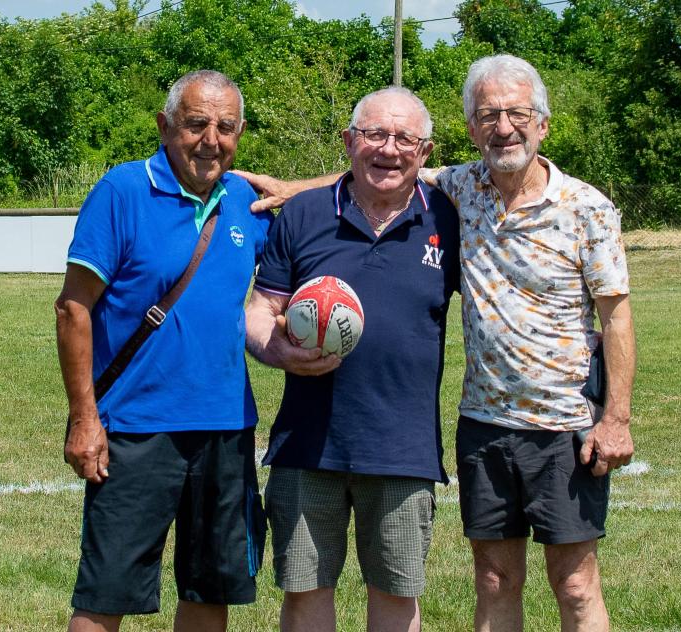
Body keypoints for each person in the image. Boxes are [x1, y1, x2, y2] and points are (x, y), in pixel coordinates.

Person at [237, 55, 636, 632]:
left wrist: (616, 416)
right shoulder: (458, 192)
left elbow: (617, 318)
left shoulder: (569, 209)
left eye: (517, 113)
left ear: (542, 123)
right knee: (494, 580)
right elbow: (379, 170)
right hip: (476, 426)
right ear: (472, 129)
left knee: (575, 584)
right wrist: (300, 190)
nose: (504, 127)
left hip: (553, 424)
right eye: (488, 115)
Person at [55, 69, 295, 632]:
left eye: (226, 128)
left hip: (225, 426)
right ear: (165, 127)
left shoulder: (244, 200)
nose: (210, 139)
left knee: (211, 587)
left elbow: (348, 182)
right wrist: (85, 417)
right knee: (105, 591)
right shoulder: (122, 191)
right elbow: (72, 309)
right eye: (195, 124)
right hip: (136, 428)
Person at [244, 87, 460, 632]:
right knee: (305, 593)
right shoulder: (304, 214)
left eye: (405, 138)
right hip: (308, 443)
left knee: (395, 598)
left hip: (403, 448)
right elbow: (258, 311)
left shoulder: (450, 219)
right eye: (374, 135)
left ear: (425, 152)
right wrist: (279, 351)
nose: (388, 149)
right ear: (349, 141)